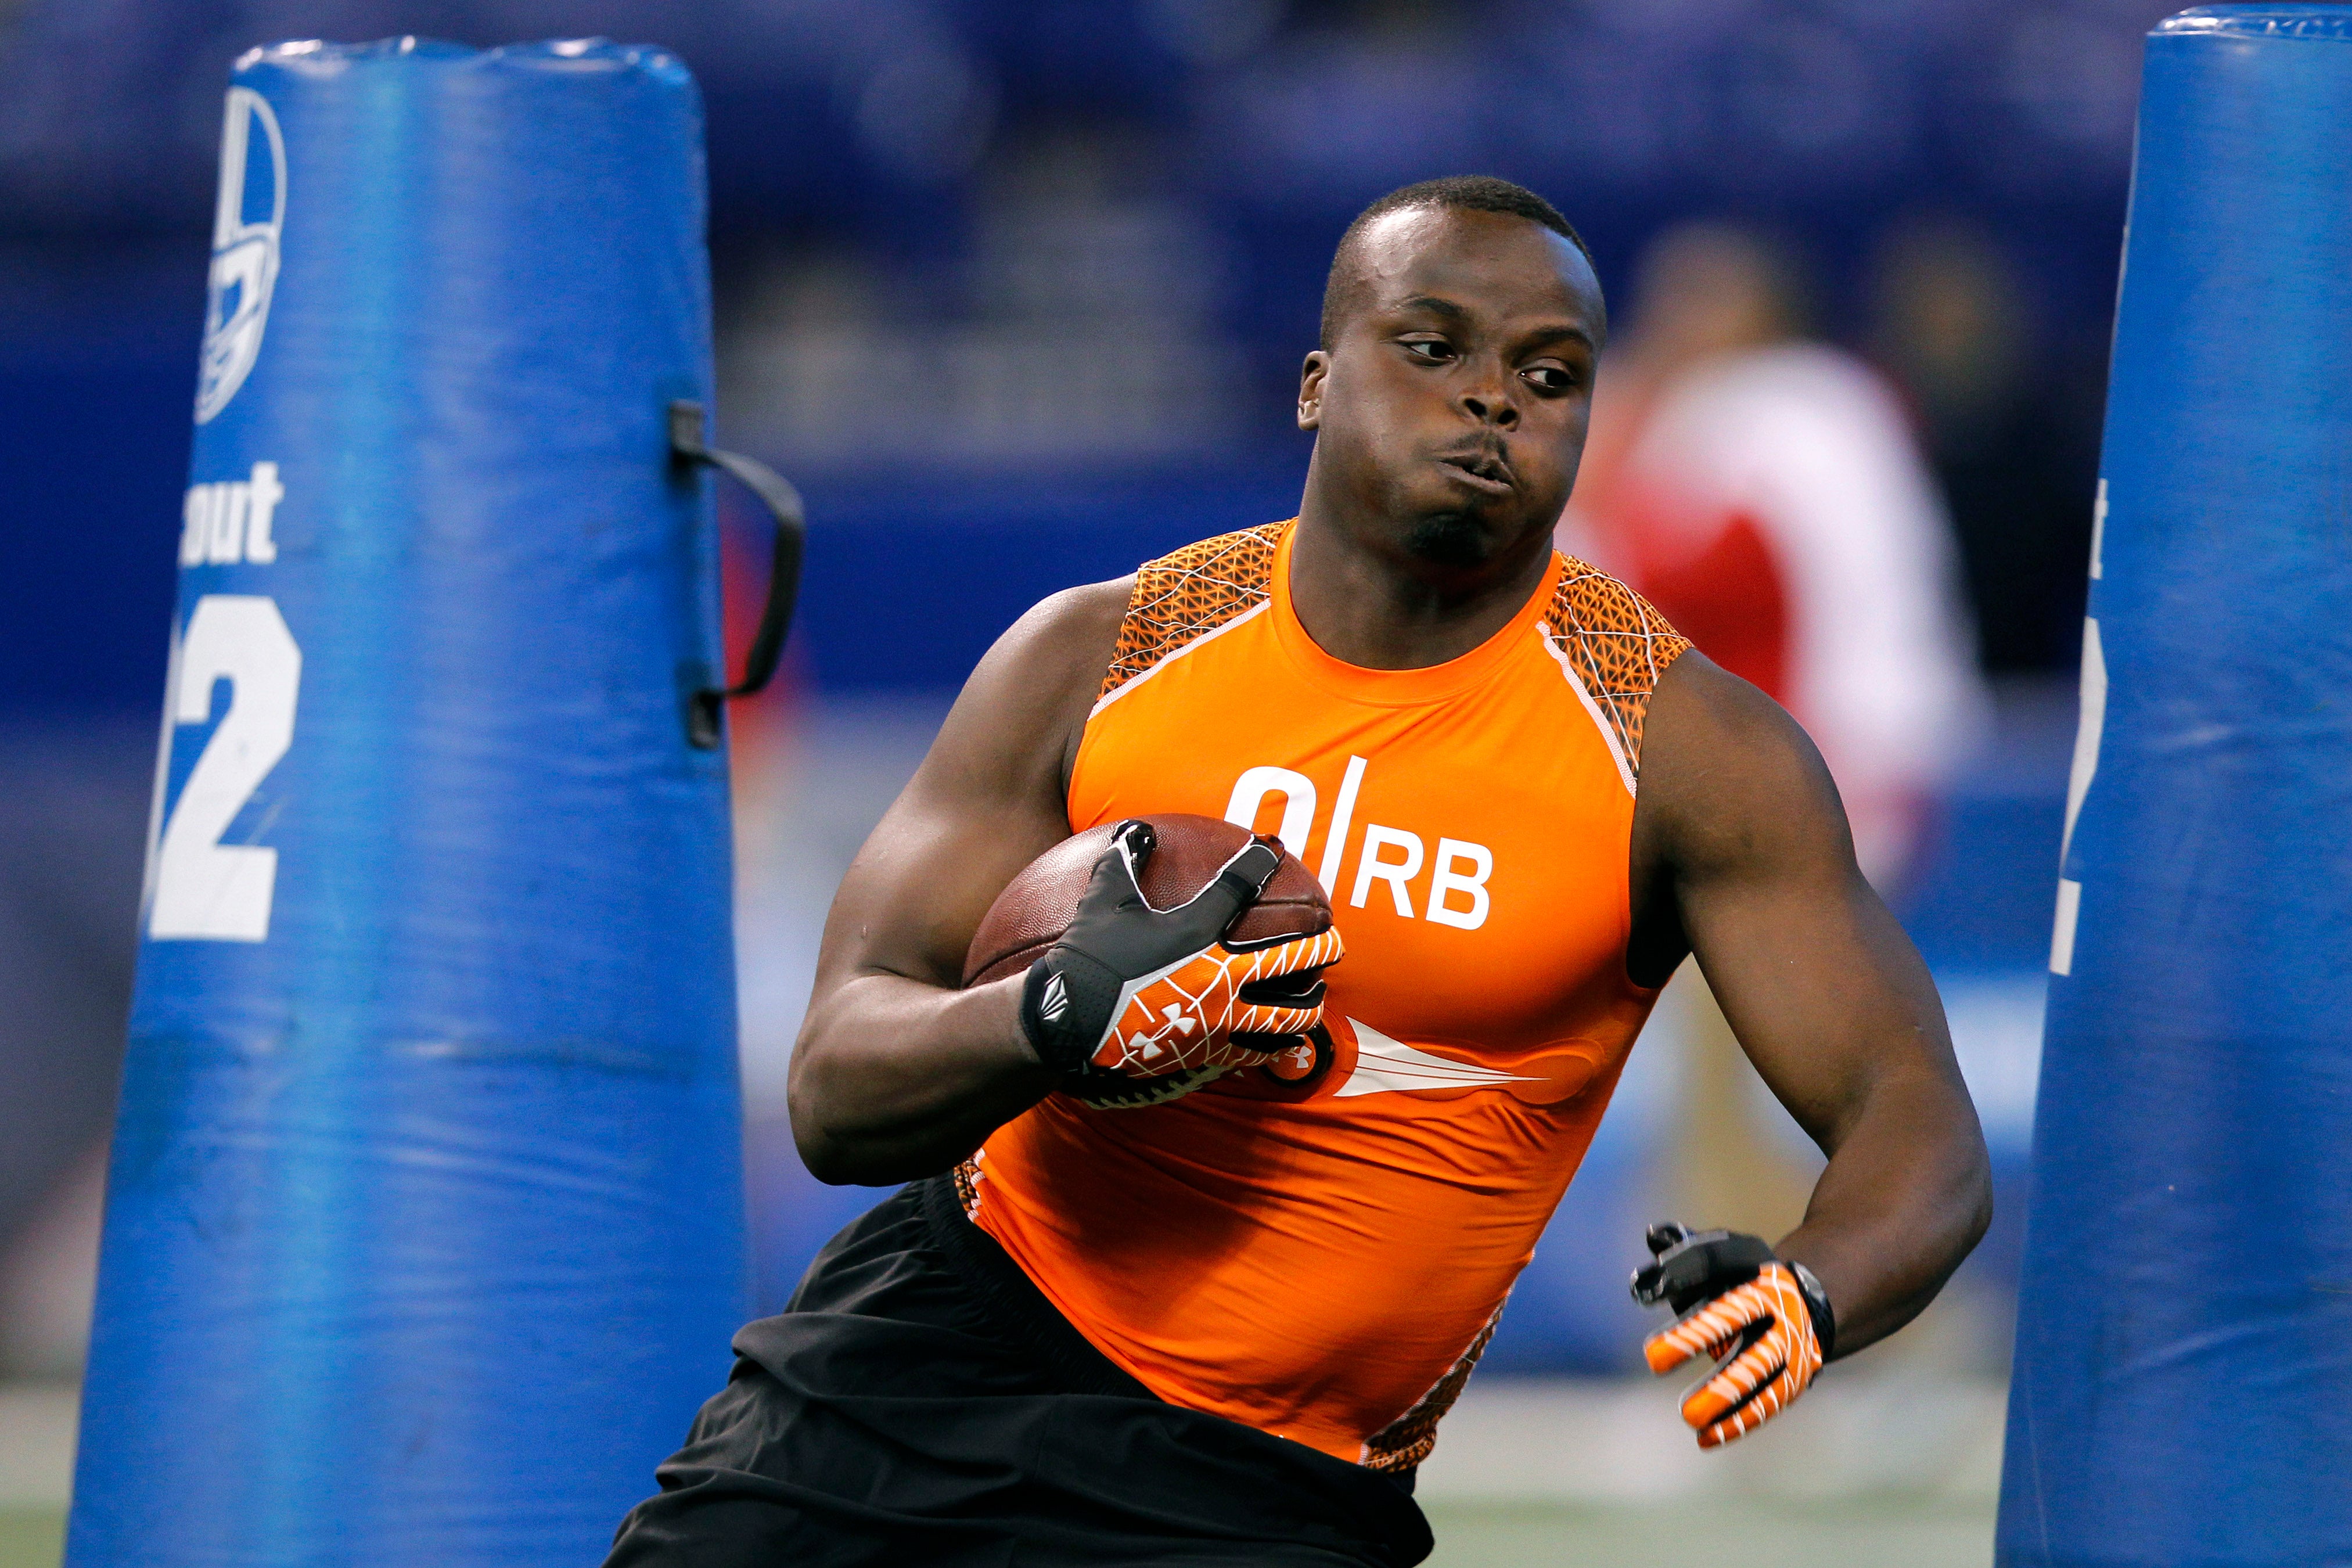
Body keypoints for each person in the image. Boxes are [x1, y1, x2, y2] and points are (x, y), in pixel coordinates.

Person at [606, 177, 1991, 1568]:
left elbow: (1914, 1120)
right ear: (1317, 384)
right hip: (933, 1356)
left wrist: (1822, 1281)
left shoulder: (1686, 751)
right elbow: (833, 1090)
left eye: (1550, 373)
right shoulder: (1100, 654)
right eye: (1435, 347)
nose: (1495, 399)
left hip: (1277, 1486)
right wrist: (1047, 1017)